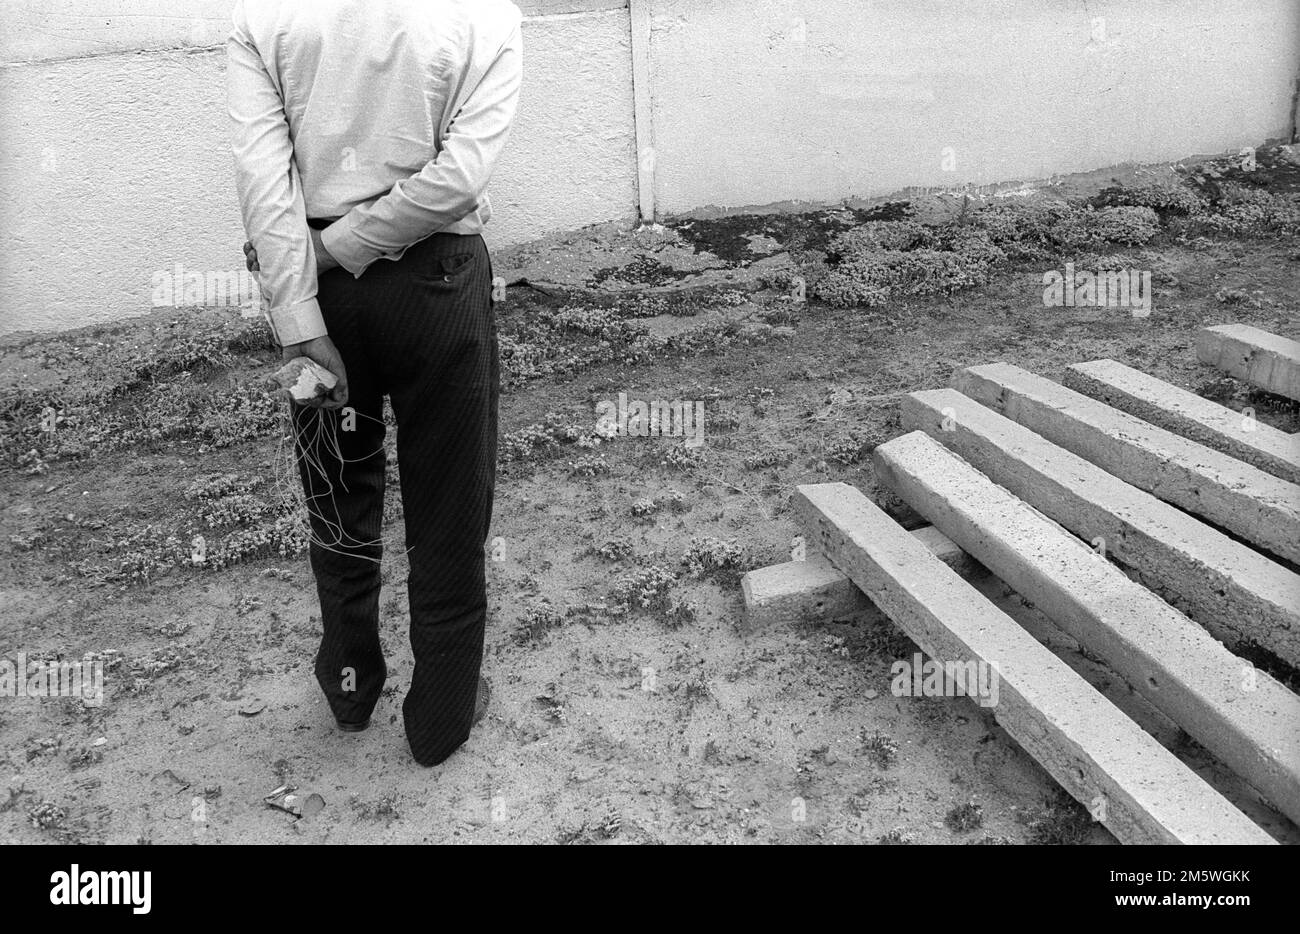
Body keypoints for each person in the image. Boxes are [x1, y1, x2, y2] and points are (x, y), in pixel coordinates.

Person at [228, 0, 522, 766]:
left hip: (325, 298)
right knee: (450, 504)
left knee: (337, 486)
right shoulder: (484, 15)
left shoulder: (264, 17)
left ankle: (351, 689)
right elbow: (459, 178)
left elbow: (264, 175)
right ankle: (440, 718)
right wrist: (335, 256)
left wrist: (301, 302)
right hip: (438, 282)